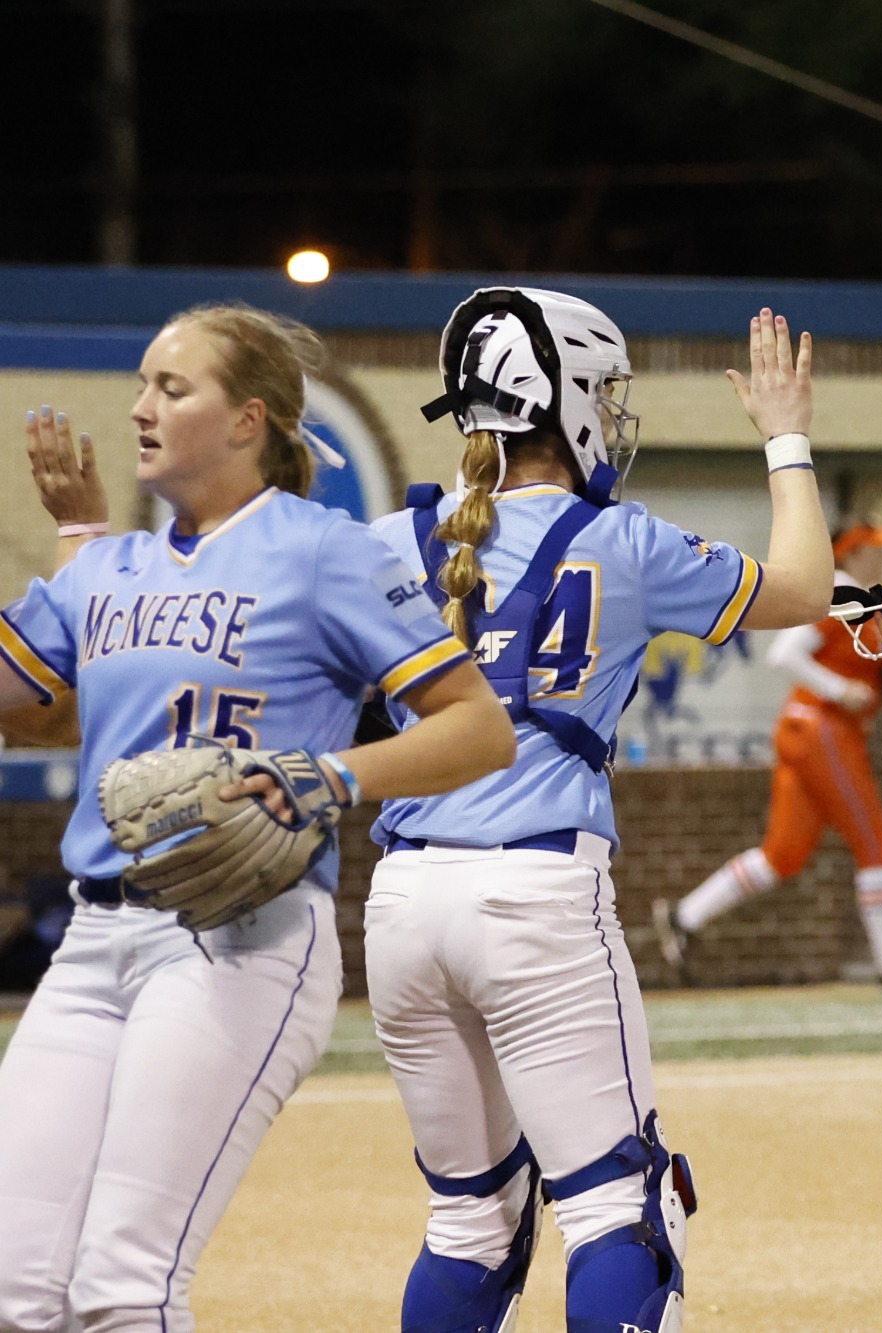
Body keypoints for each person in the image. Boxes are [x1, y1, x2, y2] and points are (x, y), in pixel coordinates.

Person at [0, 305, 516, 1333]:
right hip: (94, 939)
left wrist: (332, 773)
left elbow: (478, 729)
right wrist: (73, 539)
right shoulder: (107, 567)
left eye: (171, 387)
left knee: (121, 1286)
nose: (141, 407)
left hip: (239, 941)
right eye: (143, 383)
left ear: (248, 421)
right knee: (15, 1286)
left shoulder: (323, 551)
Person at [363, 295, 832, 1333]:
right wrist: (785, 436)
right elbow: (805, 585)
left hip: (397, 903)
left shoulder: (387, 539)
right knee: (621, 1207)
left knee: (469, 1224)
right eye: (602, 393)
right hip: (533, 891)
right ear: (558, 399)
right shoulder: (618, 539)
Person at [658, 519, 882, 984]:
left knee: (784, 853)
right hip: (823, 729)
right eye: (873, 549)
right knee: (876, 844)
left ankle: (685, 915)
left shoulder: (860, 596)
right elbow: (785, 653)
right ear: (850, 553)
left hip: (809, 729)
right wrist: (840, 690)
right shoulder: (844, 593)